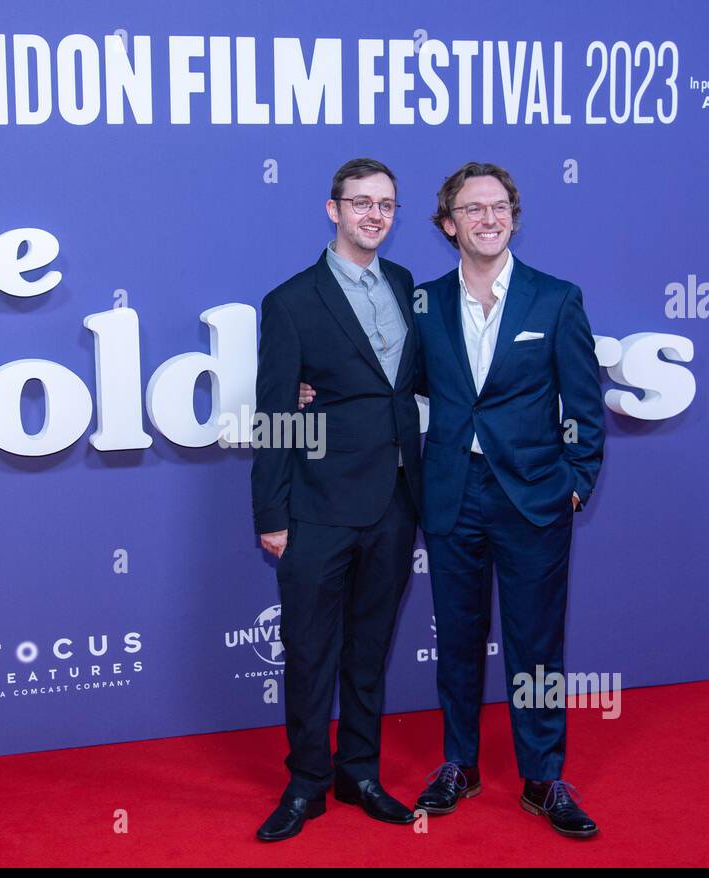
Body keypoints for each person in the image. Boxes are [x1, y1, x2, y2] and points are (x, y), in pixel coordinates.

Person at [300, 162, 606, 837]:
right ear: (448, 225)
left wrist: (576, 482)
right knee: (458, 640)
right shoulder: (423, 303)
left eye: (499, 207)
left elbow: (584, 404)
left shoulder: (556, 299)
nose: (488, 218)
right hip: (450, 492)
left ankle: (543, 775)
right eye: (473, 209)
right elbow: (385, 381)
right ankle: (459, 764)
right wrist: (312, 388)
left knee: (538, 645)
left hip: (533, 499)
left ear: (514, 217)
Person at [251, 158, 424, 842]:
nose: (374, 215)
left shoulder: (406, 284)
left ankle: (359, 771)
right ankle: (306, 783)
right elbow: (275, 415)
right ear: (333, 210)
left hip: (394, 500)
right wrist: (271, 514)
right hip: (318, 507)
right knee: (309, 650)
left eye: (385, 204)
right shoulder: (291, 301)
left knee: (369, 648)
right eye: (360, 203)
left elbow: (404, 386)